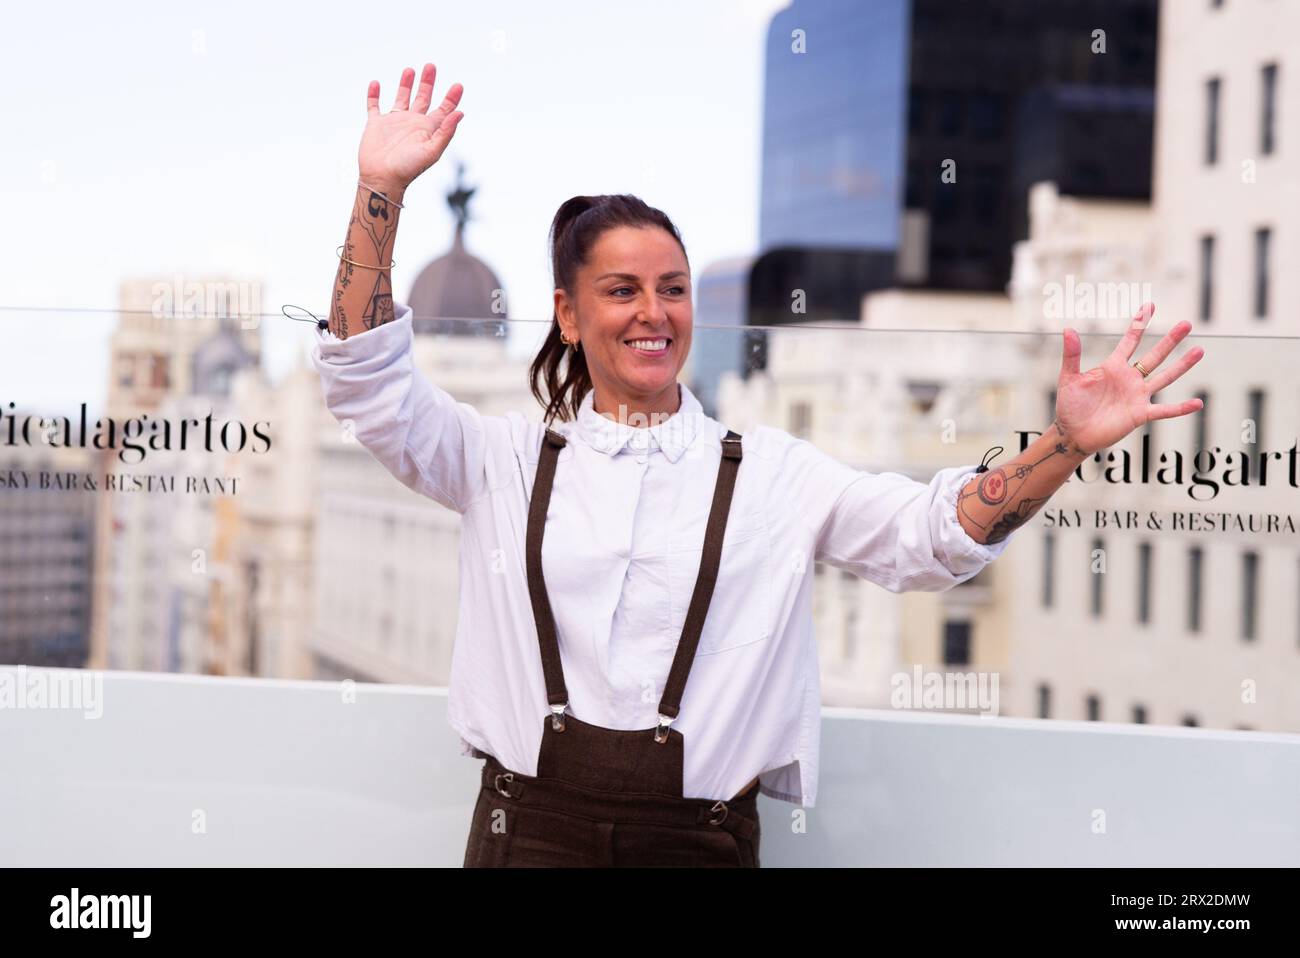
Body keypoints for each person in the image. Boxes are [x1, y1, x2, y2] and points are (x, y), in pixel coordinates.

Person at [312, 63, 1207, 868]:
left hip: (698, 847)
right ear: (569, 316)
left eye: (672, 288)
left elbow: (932, 539)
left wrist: (1066, 445)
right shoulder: (498, 458)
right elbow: (366, 383)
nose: (652, 313)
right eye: (621, 291)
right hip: (527, 838)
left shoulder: (773, 474)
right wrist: (379, 191)